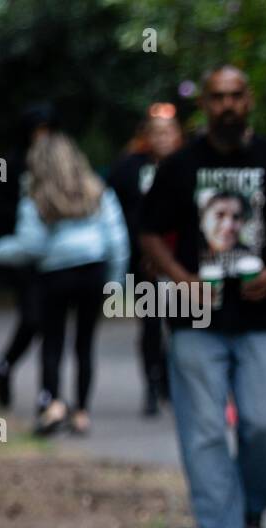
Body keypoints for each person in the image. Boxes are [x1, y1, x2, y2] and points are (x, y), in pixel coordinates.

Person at [140, 65, 266, 528]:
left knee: (265, 424)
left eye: (235, 96)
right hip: (196, 322)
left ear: (249, 100)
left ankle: (249, 511)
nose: (226, 106)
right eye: (217, 97)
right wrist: (181, 278)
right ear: (206, 106)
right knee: (204, 434)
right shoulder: (179, 165)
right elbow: (150, 232)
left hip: (264, 315)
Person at [0, 132, 129, 436]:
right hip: (94, 271)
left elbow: (32, 246)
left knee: (53, 342)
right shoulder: (97, 190)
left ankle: (52, 406)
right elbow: (117, 239)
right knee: (85, 343)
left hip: (56, 275)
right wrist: (114, 283)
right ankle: (81, 412)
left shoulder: (37, 196)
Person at [108, 102, 184, 416]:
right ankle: (152, 385)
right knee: (151, 324)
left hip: (182, 263)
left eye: (168, 132)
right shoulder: (129, 168)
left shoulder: (187, 164)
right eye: (157, 133)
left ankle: (172, 384)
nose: (163, 139)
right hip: (145, 263)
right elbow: (114, 210)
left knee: (180, 324)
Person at [0, 103, 58, 411]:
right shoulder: (7, 163)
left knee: (50, 324)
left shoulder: (58, 163)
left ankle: (48, 396)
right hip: (23, 254)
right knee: (33, 318)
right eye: (37, 130)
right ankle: (5, 366)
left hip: (55, 254)